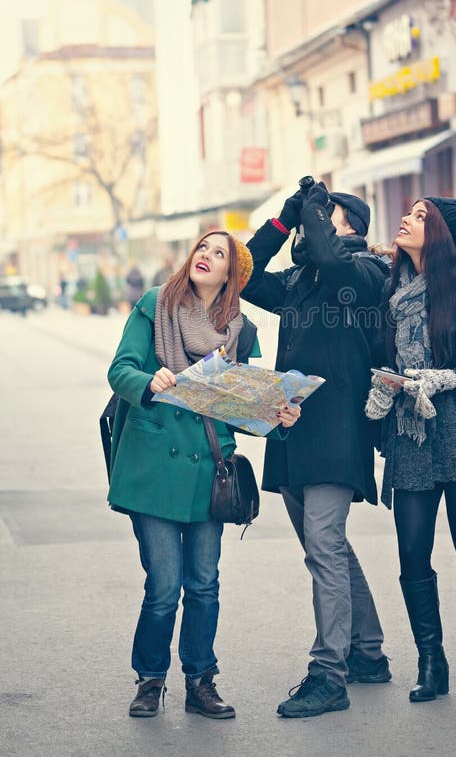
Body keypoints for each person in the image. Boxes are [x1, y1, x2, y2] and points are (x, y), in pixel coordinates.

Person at [107, 230, 300, 720]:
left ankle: (200, 681)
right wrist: (149, 380)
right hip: (152, 468)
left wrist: (276, 417)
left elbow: (242, 407)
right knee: (164, 587)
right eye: (203, 248)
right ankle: (150, 679)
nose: (207, 257)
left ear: (232, 275)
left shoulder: (241, 330)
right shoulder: (155, 305)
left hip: (207, 473)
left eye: (220, 254)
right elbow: (120, 370)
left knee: (204, 584)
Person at [242, 179, 391, 719]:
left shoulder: (368, 274)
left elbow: (331, 256)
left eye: (329, 215)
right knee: (323, 545)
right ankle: (368, 652)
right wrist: (283, 220)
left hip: (339, 432)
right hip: (293, 431)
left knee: (324, 544)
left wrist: (315, 214)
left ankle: (330, 673)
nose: (316, 222)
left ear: (352, 224)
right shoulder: (300, 280)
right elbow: (245, 276)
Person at [365, 196, 456, 704]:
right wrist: (385, 385)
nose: (405, 218)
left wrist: (445, 378)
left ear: (442, 232)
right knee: (411, 552)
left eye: (421, 215)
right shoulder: (392, 290)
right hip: (410, 435)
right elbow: (384, 358)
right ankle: (432, 661)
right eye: (407, 211)